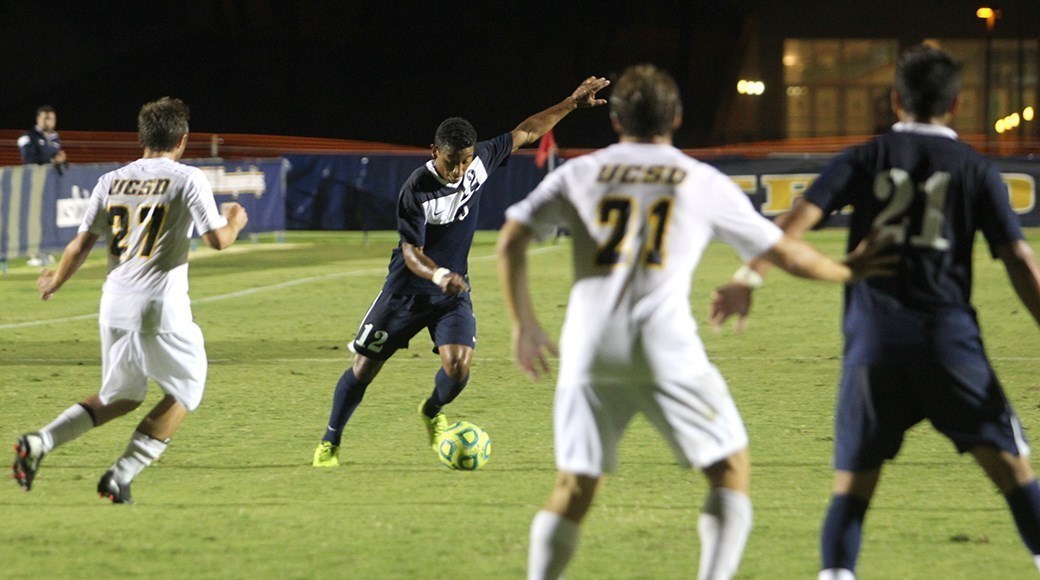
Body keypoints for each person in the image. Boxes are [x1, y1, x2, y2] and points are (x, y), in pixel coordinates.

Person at [497, 64, 894, 580]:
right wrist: (846, 270)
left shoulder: (581, 173)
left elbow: (511, 239)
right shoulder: (699, 180)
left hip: (589, 348)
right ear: (677, 118)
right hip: (664, 346)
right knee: (729, 468)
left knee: (575, 486)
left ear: (616, 120)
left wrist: (524, 324)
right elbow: (786, 251)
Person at [712, 45, 1040, 578]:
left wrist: (747, 279)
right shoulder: (974, 167)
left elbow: (793, 224)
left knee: (852, 491)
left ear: (895, 100)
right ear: (956, 104)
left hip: (874, 346)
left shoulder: (865, 157)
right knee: (1015, 476)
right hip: (949, 347)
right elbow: (1020, 262)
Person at [311, 76, 612, 468]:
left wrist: (571, 103)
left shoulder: (478, 161)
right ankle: (330, 441)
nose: (458, 170)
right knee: (364, 368)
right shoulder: (416, 190)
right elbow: (411, 253)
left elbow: (526, 131)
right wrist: (440, 276)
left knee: (458, 367)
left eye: (465, 161)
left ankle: (432, 411)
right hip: (406, 292)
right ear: (434, 151)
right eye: (451, 161)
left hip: (451, 294)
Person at [11, 97, 248, 504]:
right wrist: (236, 221)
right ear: (183, 139)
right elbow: (218, 240)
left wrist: (56, 280)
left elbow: (81, 244)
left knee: (121, 395)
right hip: (159, 306)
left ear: (142, 138)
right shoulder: (187, 178)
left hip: (114, 305)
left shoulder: (112, 180)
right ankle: (120, 475)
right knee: (186, 390)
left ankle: (39, 442)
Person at [18, 105, 67, 265]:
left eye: (52, 118)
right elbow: (28, 160)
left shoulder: (54, 138)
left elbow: (55, 159)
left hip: (50, 185)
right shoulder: (28, 137)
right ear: (38, 119)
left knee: (48, 218)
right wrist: (51, 160)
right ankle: (34, 254)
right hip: (34, 184)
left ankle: (46, 251)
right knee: (35, 218)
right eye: (46, 118)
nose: (49, 122)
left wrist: (61, 160)